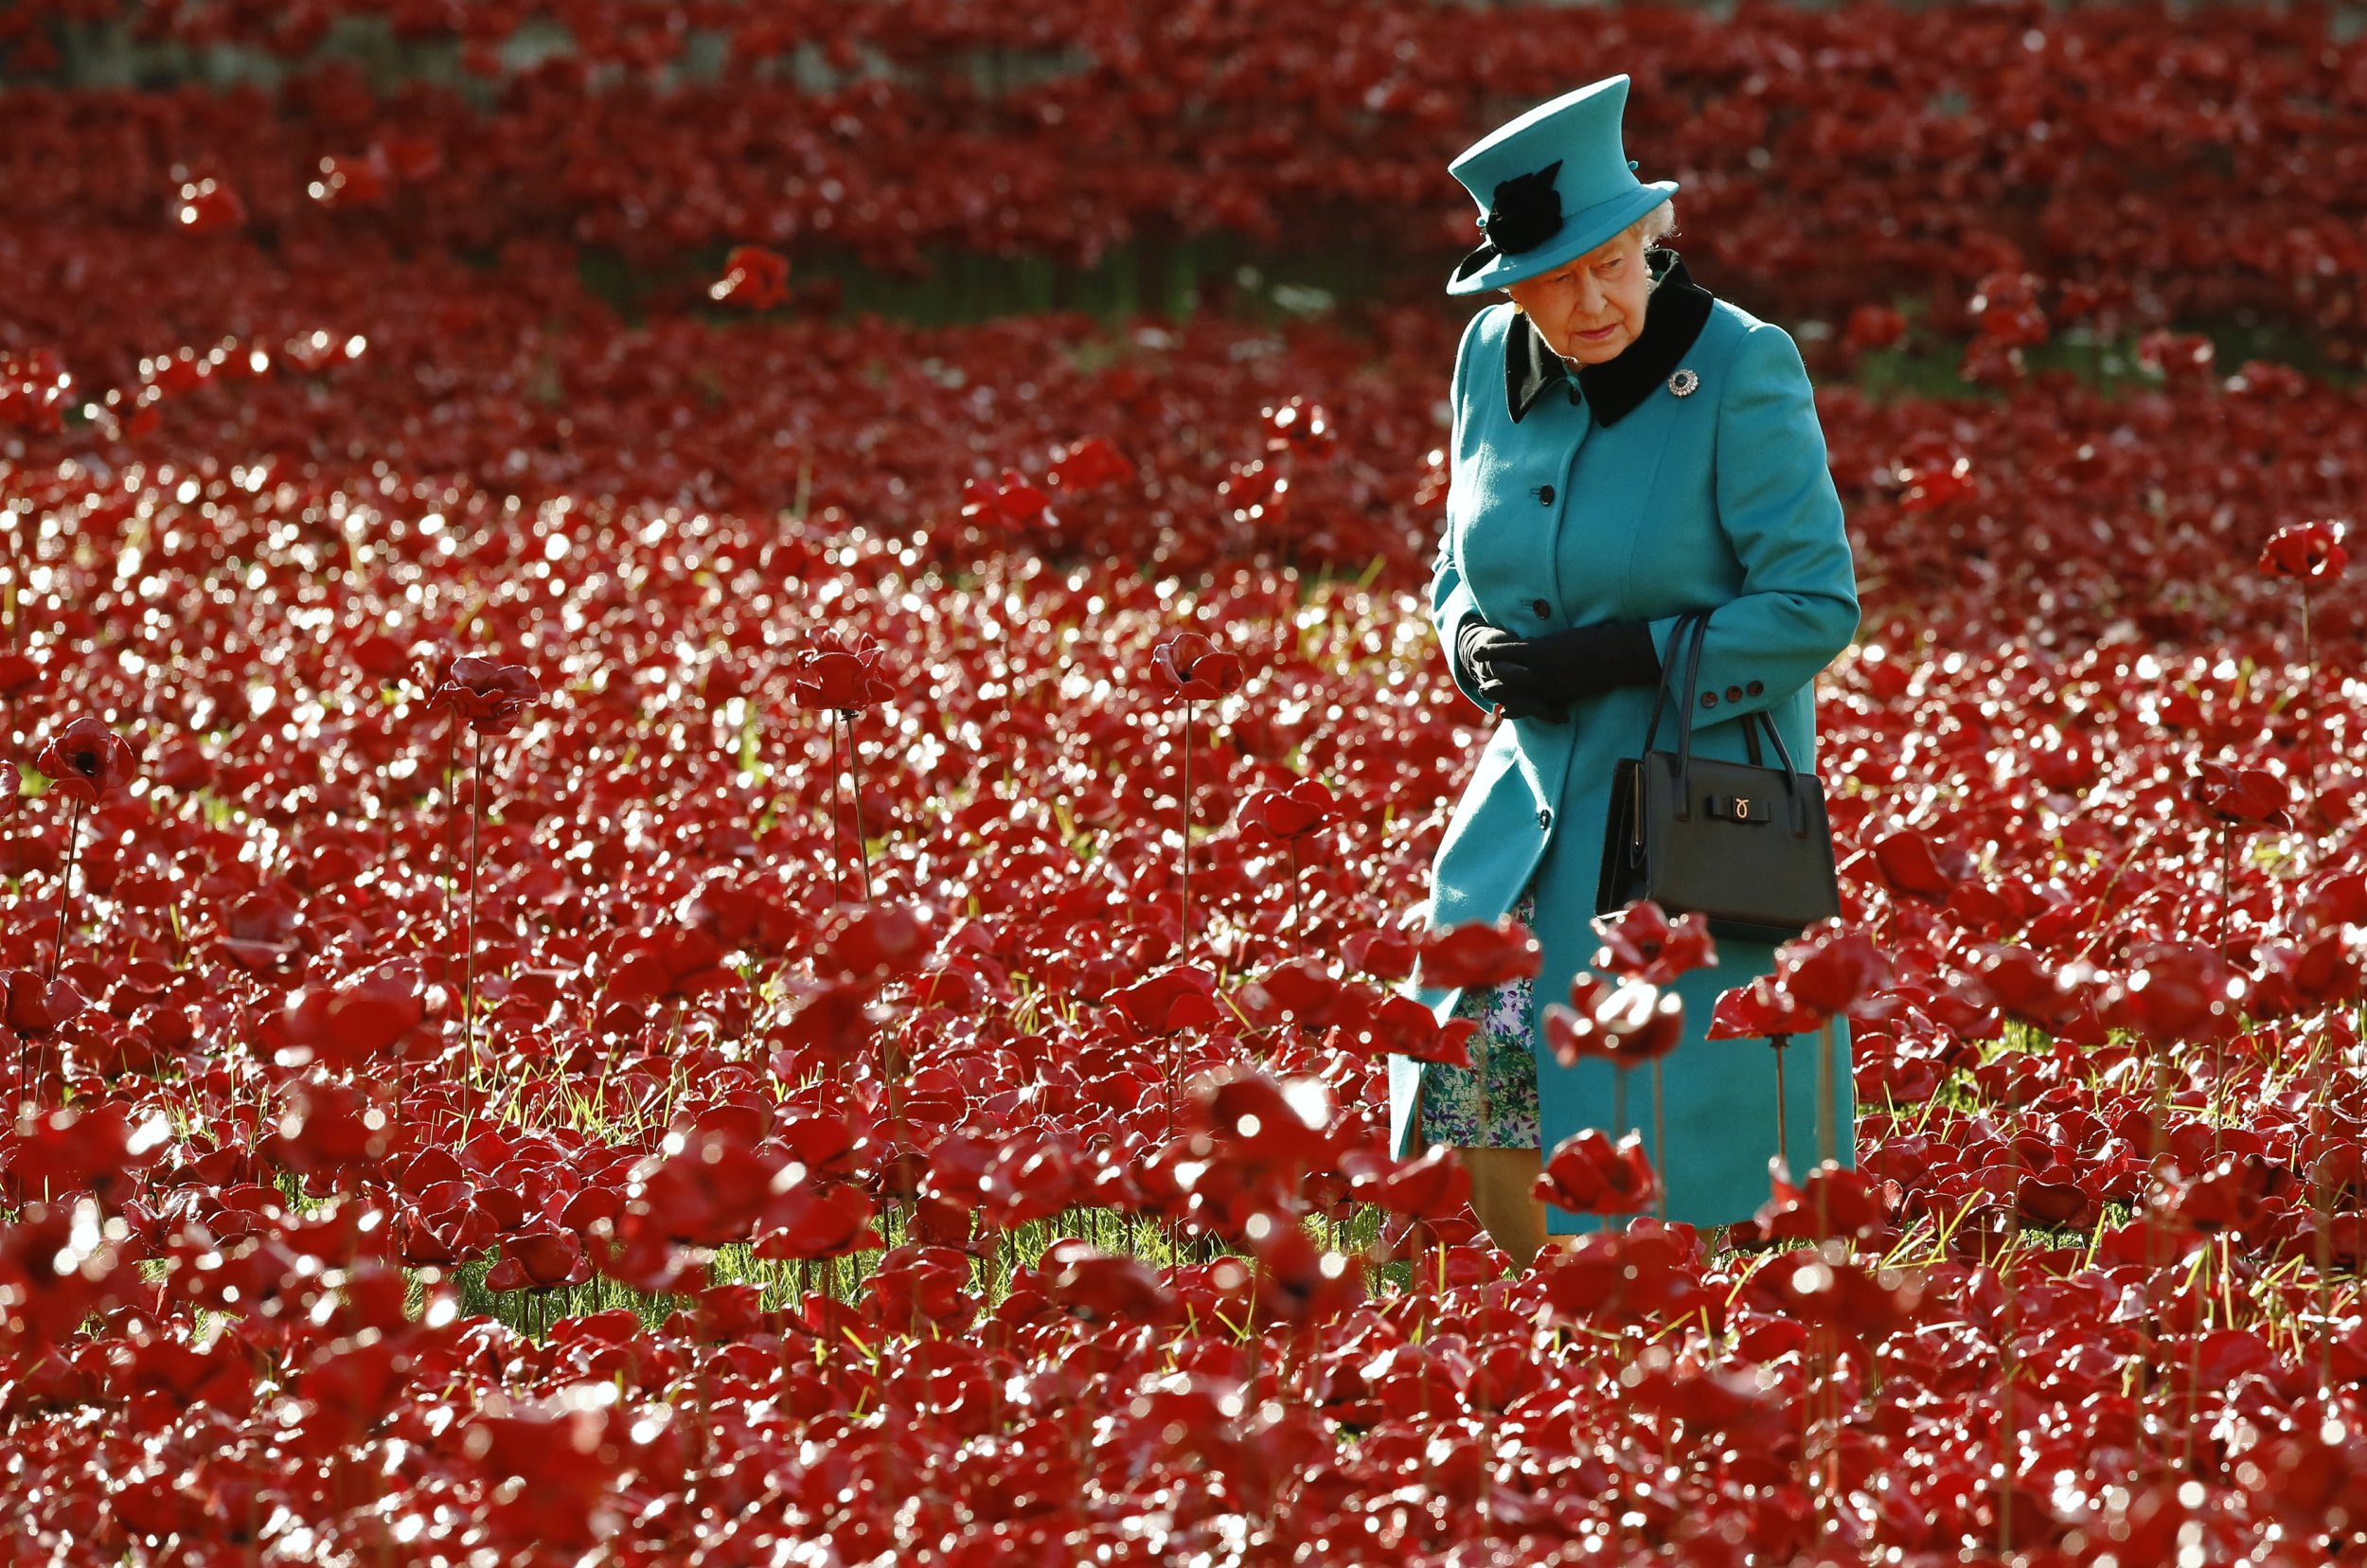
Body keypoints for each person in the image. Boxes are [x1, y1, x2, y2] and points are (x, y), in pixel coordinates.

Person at [1385, 75, 1863, 1268]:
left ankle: (1668, 1365)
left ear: (1654, 241)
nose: (1589, 301)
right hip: (1524, 814)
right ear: (1510, 287)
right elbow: (1454, 562)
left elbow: (1814, 606)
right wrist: (1468, 642)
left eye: (1611, 265)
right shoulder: (1486, 358)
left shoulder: (1743, 369)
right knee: (1473, 1085)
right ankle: (1515, 1331)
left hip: (1686, 824)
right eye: (1552, 282)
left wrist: (1627, 655)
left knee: (1672, 1127)